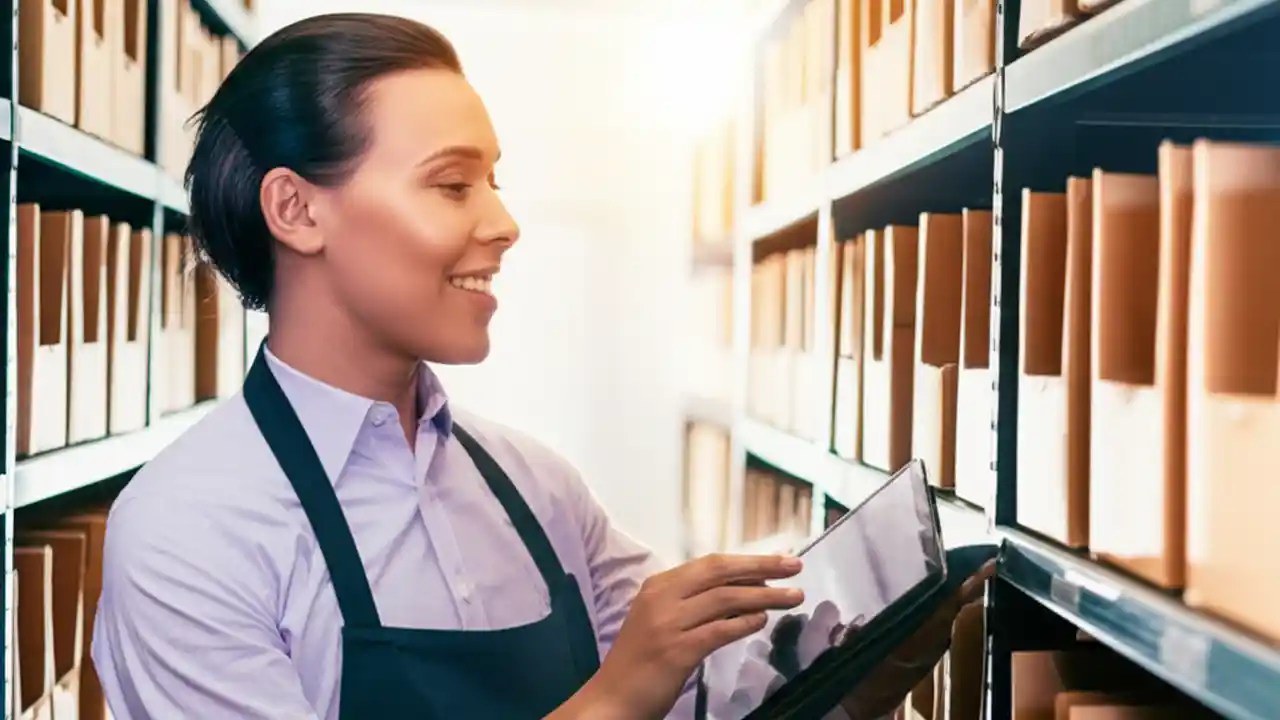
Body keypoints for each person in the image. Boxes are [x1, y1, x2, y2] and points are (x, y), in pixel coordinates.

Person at [91, 12, 990, 720]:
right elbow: (633, 698)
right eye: (452, 184)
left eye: (495, 181)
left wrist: (862, 675)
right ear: (296, 210)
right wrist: (615, 698)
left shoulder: (536, 488)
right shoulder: (188, 534)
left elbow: (702, 707)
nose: (503, 223)